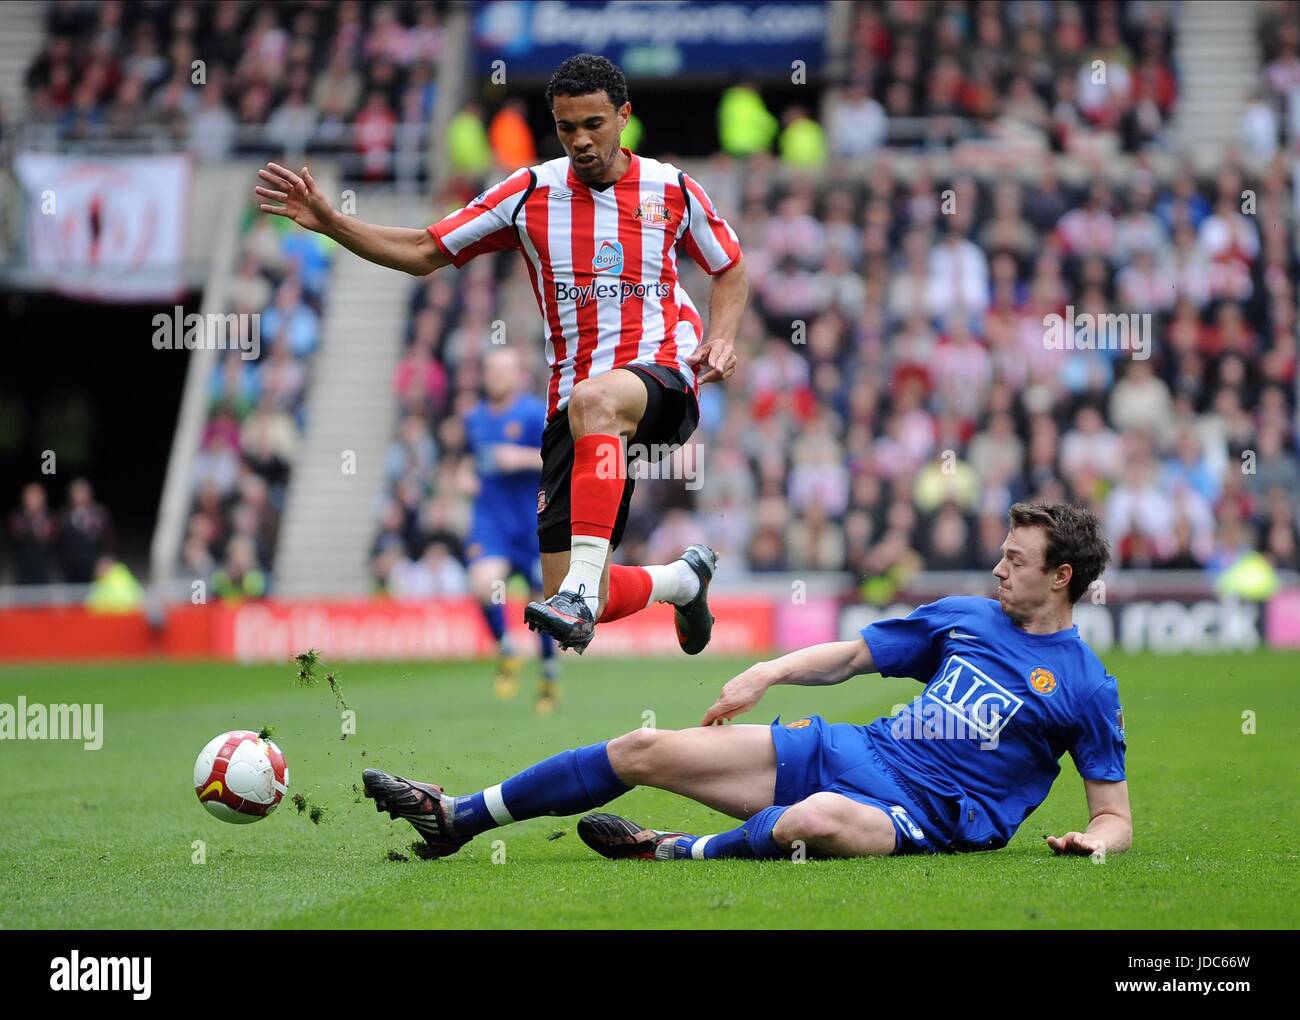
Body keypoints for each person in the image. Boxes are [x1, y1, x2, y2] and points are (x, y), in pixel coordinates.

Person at [255, 53, 748, 655]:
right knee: (568, 598)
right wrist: (333, 224)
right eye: (567, 128)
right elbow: (422, 250)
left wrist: (721, 338)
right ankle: (681, 582)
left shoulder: (670, 188)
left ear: (624, 116)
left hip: (663, 380)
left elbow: (729, 269)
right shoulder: (531, 193)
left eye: (594, 124)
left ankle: (597, 587)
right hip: (577, 409)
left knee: (596, 404)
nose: (581, 141)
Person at [362, 503, 1132, 862]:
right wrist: (766, 672)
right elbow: (854, 656)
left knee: (814, 819)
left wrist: (1093, 841)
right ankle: (457, 816)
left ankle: (676, 851)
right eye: (1001, 553)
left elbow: (1114, 814)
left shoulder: (1086, 688)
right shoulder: (965, 614)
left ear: (1062, 578)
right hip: (854, 749)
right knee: (643, 748)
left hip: (927, 814)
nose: (999, 567)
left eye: (1017, 561)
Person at [462, 346, 560, 711]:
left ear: (519, 375)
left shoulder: (535, 414)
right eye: (490, 369)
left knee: (543, 603)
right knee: (483, 584)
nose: (495, 376)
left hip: (533, 522)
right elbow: (469, 462)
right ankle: (506, 648)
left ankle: (548, 674)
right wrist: (463, 477)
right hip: (491, 522)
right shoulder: (474, 418)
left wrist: (516, 458)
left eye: (504, 370)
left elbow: (553, 459)